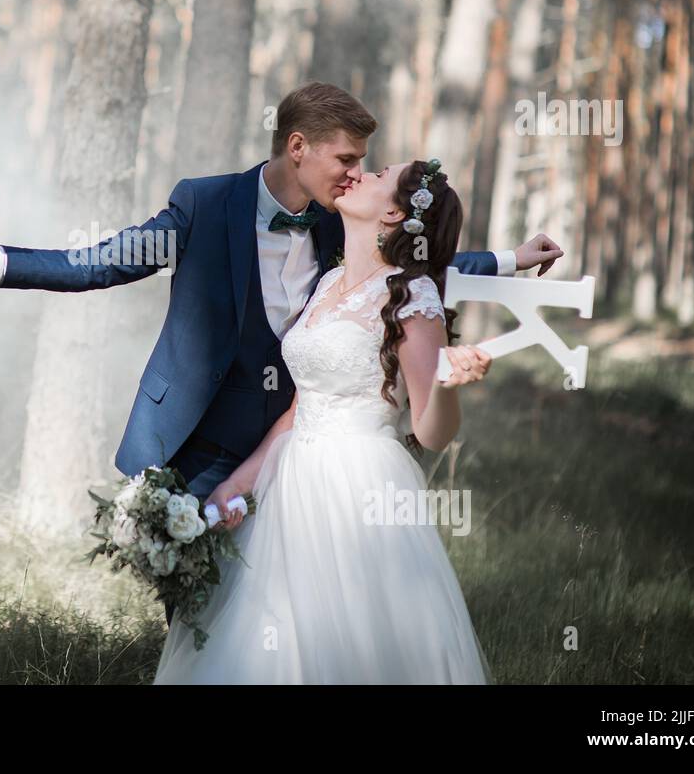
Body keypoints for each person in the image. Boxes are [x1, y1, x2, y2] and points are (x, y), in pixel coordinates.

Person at [0, 82, 562, 630]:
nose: (358, 173)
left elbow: (412, 261)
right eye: (347, 159)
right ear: (298, 147)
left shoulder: (342, 220)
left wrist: (509, 260)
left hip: (299, 446)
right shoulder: (203, 204)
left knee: (314, 614)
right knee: (202, 618)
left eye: (365, 163)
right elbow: (99, 262)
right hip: (204, 437)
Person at [153, 159, 493, 683]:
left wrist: (447, 383)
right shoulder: (330, 279)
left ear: (395, 211)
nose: (360, 172)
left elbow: (430, 430)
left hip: (357, 488)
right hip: (289, 481)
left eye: (378, 173)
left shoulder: (413, 295)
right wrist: (238, 483)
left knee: (349, 637)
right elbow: (299, 407)